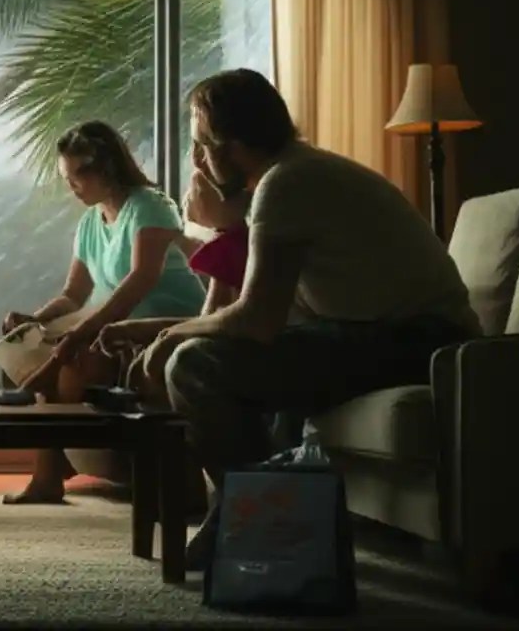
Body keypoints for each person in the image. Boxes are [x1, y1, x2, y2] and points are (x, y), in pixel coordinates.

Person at [132, 68, 481, 569]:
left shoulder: (287, 183)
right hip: (392, 335)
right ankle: (255, 518)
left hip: (425, 344)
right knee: (244, 371)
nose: (197, 162)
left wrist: (170, 334)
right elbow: (259, 314)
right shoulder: (293, 176)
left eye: (201, 146)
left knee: (195, 366)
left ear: (232, 146)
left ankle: (257, 520)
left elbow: (255, 320)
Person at [0, 120, 207, 504]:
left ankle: (51, 474)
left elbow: (139, 282)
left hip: (159, 325)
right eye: (67, 177)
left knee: (70, 358)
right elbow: (73, 295)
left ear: (106, 166)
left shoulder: (150, 206)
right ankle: (51, 470)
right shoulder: (90, 224)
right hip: (113, 326)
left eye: (79, 174)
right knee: (32, 350)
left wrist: (80, 334)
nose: (73, 186)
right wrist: (35, 321)